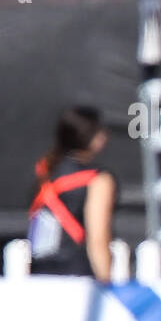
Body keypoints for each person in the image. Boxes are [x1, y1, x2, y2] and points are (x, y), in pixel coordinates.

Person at [28, 107, 116, 281]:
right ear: (95, 138)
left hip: (39, 273)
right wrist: (106, 281)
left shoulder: (44, 173)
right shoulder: (98, 179)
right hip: (78, 274)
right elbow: (97, 238)